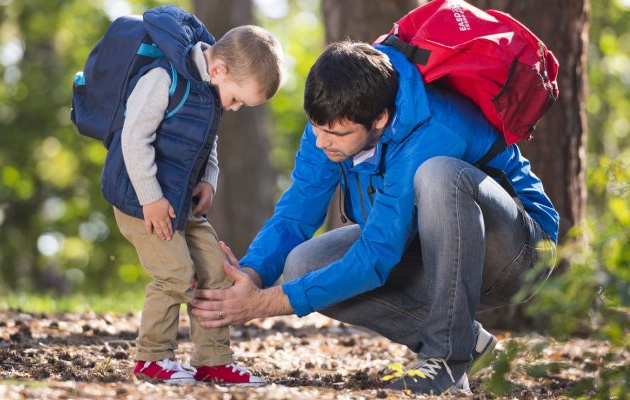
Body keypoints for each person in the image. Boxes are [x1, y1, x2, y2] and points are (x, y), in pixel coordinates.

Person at [191, 40, 558, 395]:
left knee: (440, 175)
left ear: (380, 119)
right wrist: (250, 276)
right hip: (429, 247)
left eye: (335, 134)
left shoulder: (432, 130)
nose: (321, 142)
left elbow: (376, 258)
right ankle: (466, 340)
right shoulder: (333, 116)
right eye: (316, 128)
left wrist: (264, 304)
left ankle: (447, 358)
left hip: (516, 254)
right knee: (304, 265)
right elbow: (295, 215)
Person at [103, 6, 283, 386]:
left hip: (183, 200)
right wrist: (151, 198)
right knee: (175, 274)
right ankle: (152, 359)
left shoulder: (211, 92)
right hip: (143, 201)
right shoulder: (161, 77)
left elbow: (207, 139)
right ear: (219, 70)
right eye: (236, 100)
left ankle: (213, 360)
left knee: (216, 269)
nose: (232, 108)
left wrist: (210, 179)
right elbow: (133, 140)